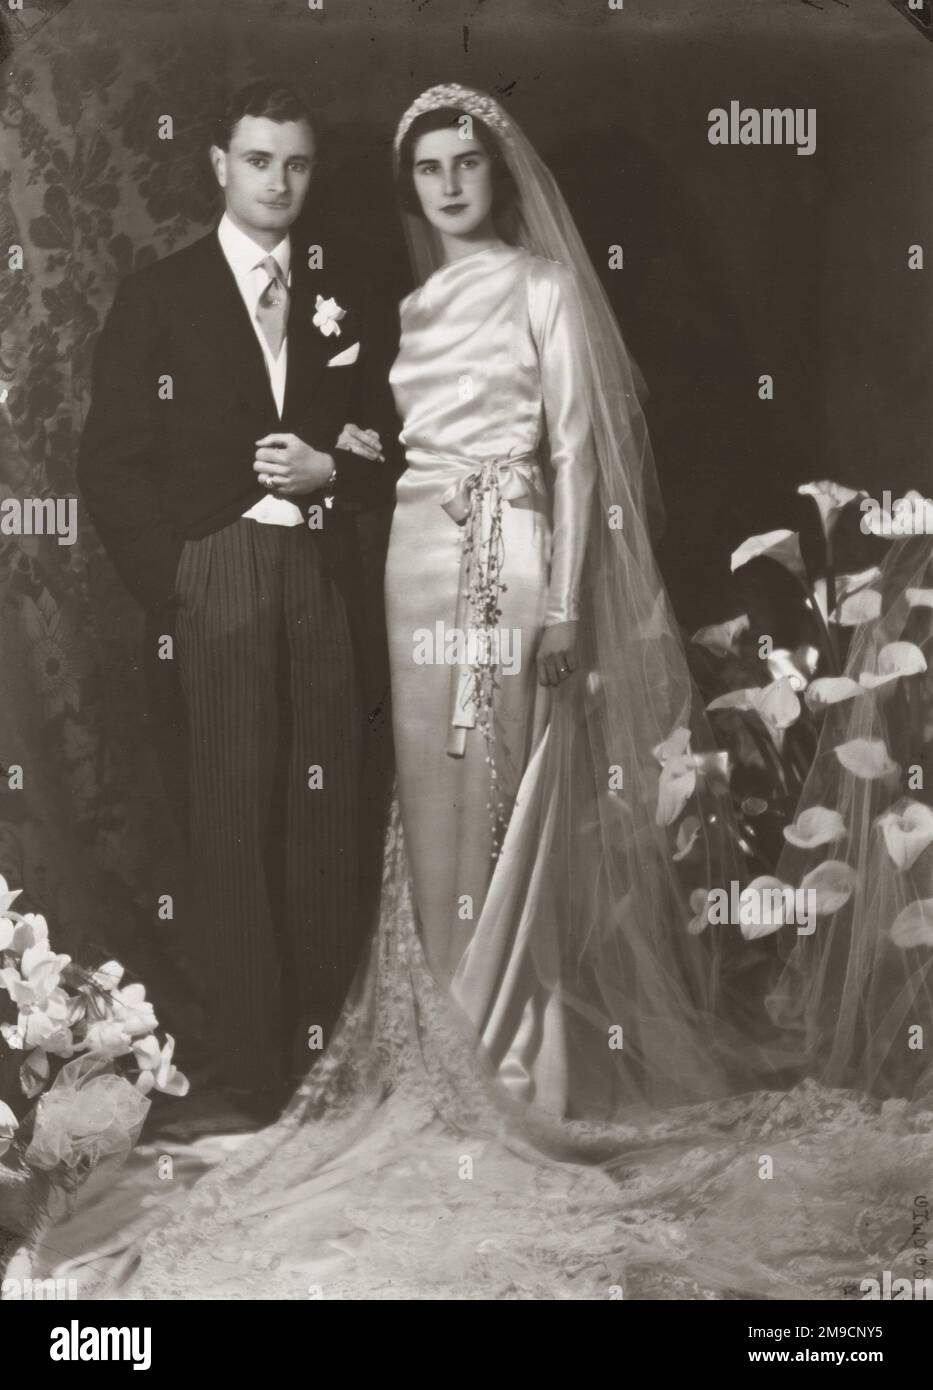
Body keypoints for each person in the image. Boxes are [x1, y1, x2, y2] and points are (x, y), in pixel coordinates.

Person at [57, 86, 930, 1302]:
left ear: (498, 175)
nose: (451, 184)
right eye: (429, 168)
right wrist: (304, 490)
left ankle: (516, 1063)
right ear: (406, 183)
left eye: (468, 163)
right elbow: (378, 446)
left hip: (508, 559)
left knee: (514, 797)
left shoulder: (545, 288)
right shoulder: (402, 304)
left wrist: (563, 601)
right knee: (427, 819)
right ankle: (429, 1049)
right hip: (411, 563)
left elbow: (573, 451)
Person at [77, 81, 403, 1121]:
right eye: (259, 160)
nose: (279, 181)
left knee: (323, 819)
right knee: (227, 822)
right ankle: (249, 1074)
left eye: (296, 163)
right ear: (220, 165)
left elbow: (390, 445)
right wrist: (178, 579)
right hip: (212, 577)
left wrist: (333, 474)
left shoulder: (343, 287)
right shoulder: (161, 292)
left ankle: (321, 1068)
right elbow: (111, 463)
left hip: (320, 581)